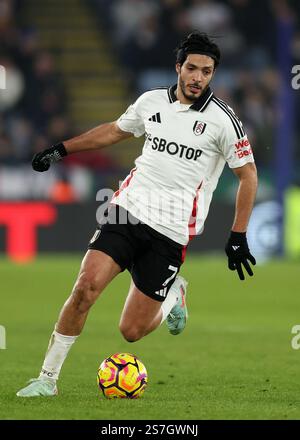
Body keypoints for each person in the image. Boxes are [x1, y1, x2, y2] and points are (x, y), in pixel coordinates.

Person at [17, 32, 257, 397]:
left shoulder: (224, 121)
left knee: (131, 331)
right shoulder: (151, 102)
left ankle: (175, 294)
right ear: (179, 67)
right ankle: (46, 379)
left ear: (213, 75)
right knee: (85, 288)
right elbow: (114, 132)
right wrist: (61, 149)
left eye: (206, 72)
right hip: (127, 211)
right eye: (192, 68)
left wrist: (238, 235)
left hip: (171, 231)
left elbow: (248, 175)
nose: (198, 77)